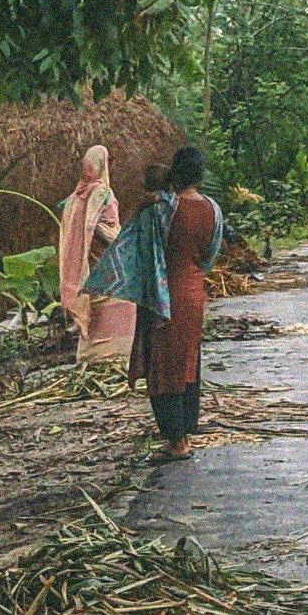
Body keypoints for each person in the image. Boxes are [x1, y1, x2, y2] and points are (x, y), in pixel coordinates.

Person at [134, 143, 221, 457]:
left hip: (163, 294)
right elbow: (210, 256)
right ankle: (184, 434)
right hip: (195, 293)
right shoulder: (213, 209)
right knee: (187, 363)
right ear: (199, 175)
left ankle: (176, 441)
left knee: (164, 366)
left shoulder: (160, 209)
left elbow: (142, 253)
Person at [56, 140, 130, 362]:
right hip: (107, 256)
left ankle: (91, 353)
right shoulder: (102, 193)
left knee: (96, 299)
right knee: (120, 301)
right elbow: (103, 227)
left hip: (90, 257)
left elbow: (69, 215)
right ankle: (116, 352)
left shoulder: (76, 196)